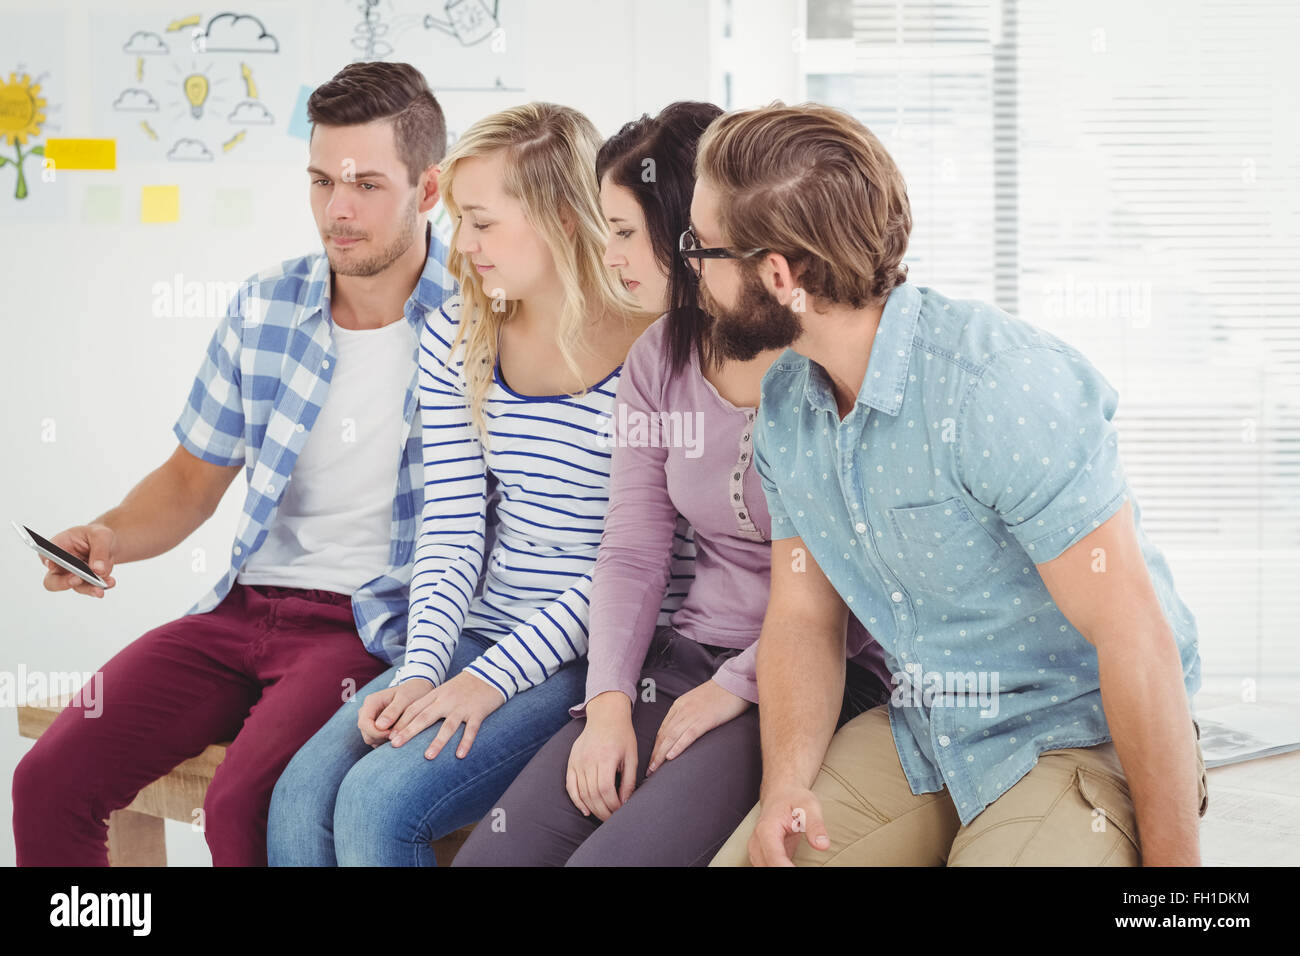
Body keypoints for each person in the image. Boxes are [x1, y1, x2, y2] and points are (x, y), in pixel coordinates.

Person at [696, 103, 1209, 867]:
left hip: (1073, 738)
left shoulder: (997, 387)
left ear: (777, 275)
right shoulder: (786, 408)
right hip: (923, 731)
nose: (692, 269)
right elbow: (803, 617)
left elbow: (1133, 633)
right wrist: (786, 788)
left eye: (702, 248)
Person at [12, 61, 457, 866]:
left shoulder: (481, 320)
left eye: (365, 185)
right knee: (48, 782)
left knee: (241, 805)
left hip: (369, 628)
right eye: (321, 181)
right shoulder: (267, 304)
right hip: (242, 612)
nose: (337, 209)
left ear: (428, 191)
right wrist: (106, 534)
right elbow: (190, 481)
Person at [451, 102, 890, 868]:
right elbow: (633, 547)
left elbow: (860, 577)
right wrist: (611, 700)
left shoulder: (817, 355)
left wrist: (736, 687)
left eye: (623, 231)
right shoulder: (658, 356)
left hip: (811, 672)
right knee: (495, 858)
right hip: (684, 654)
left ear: (692, 227)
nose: (607, 253)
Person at [266, 101, 692, 867]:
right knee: (299, 798)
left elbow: (644, 572)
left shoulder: (655, 349)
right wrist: (427, 665)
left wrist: (490, 681)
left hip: (591, 650)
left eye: (483, 222)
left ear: (564, 217)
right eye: (460, 219)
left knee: (377, 804)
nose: (461, 244)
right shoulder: (462, 329)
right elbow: (454, 526)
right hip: (481, 625)